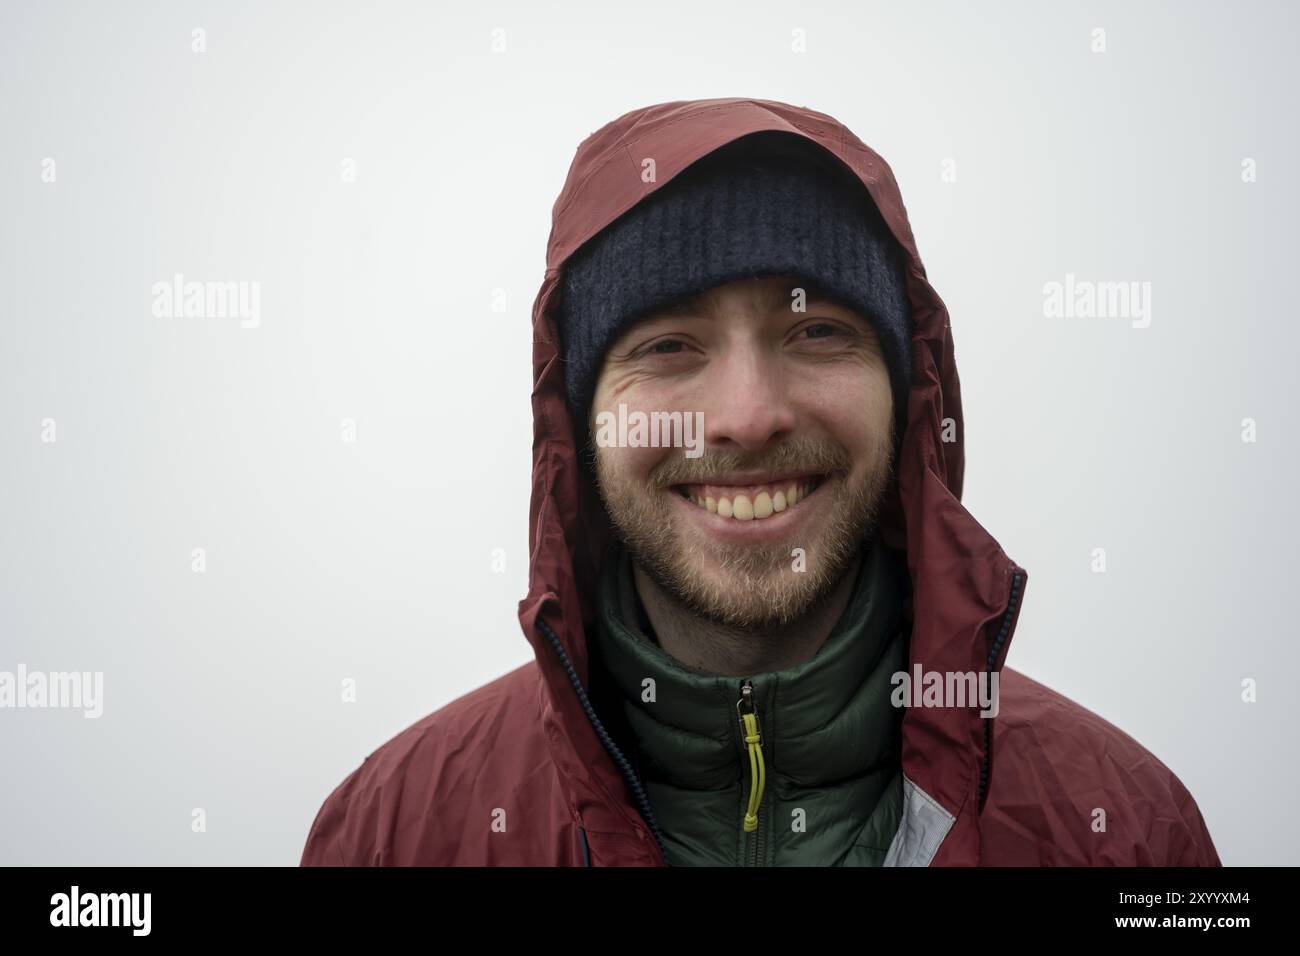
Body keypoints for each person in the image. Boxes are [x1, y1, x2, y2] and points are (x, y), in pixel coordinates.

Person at [300, 97, 1220, 866]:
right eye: (668, 345)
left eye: (817, 332)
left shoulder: (1125, 832)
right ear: (577, 431)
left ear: (907, 400)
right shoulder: (395, 833)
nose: (746, 415)